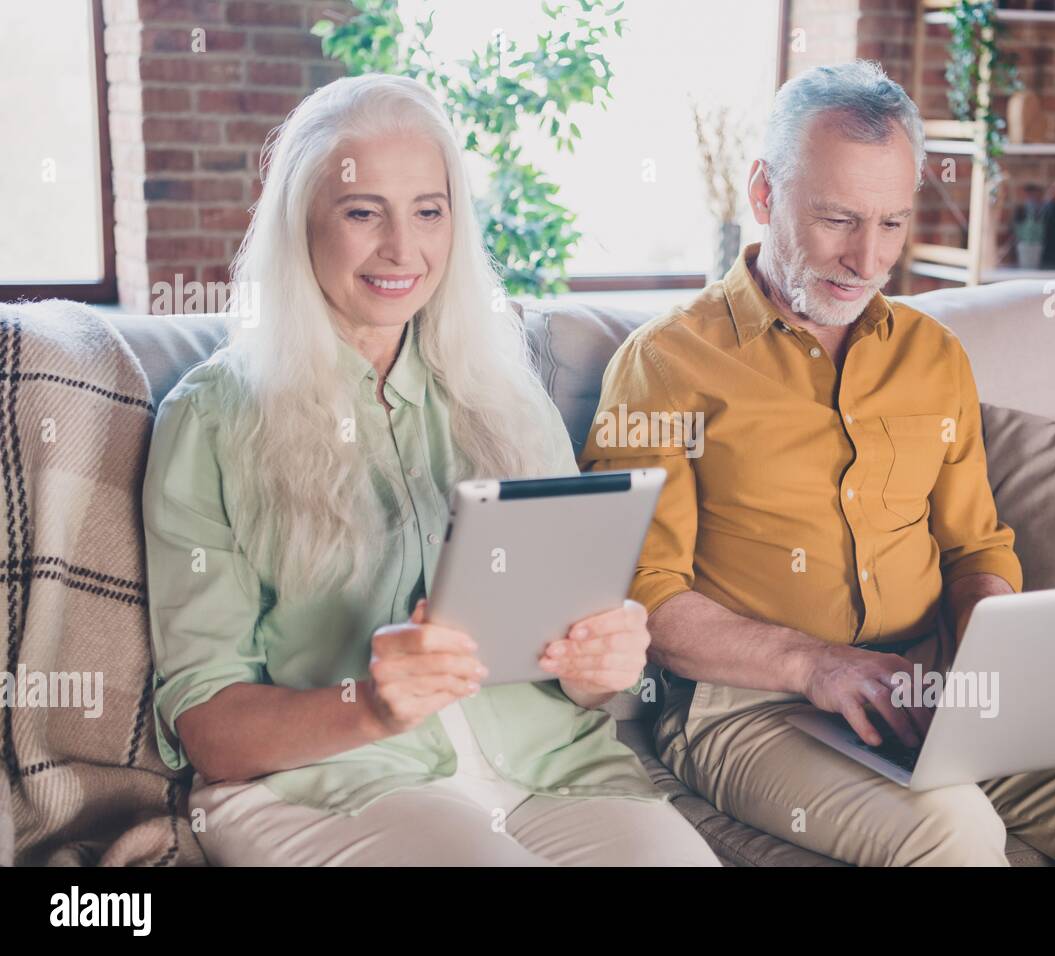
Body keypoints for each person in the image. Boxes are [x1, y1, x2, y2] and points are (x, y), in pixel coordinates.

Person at [579, 60, 1055, 866]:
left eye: (893, 224)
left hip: (933, 692)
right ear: (765, 193)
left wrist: (997, 659)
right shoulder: (666, 363)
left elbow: (976, 548)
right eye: (839, 219)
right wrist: (818, 665)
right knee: (951, 828)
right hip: (747, 707)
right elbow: (644, 599)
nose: (867, 260)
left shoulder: (933, 356)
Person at [142, 73, 719, 867]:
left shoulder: (508, 396)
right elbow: (209, 728)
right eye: (361, 212)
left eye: (428, 212)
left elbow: (582, 670)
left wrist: (601, 667)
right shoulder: (209, 421)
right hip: (333, 782)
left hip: (554, 768)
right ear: (300, 225)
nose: (402, 251)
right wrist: (373, 707)